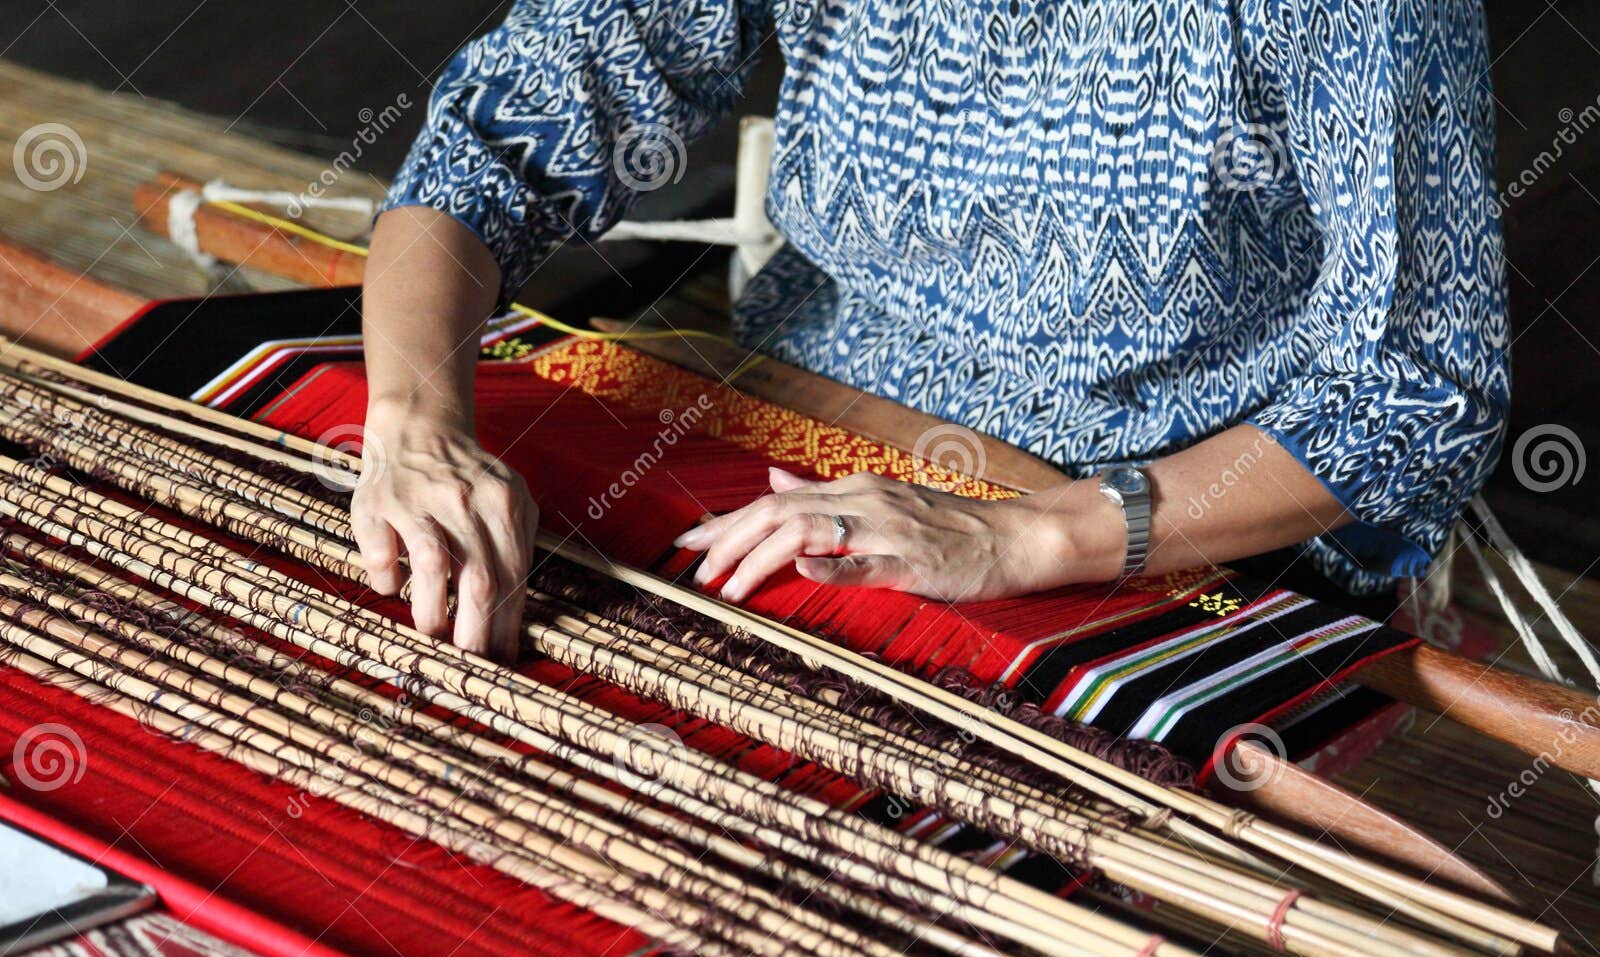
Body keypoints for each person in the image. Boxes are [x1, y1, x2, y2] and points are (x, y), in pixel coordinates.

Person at [361, 1, 1508, 660]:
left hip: (1149, 532)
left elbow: (1419, 385)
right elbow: (493, 144)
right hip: (792, 444)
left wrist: (1026, 540)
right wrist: (412, 422)